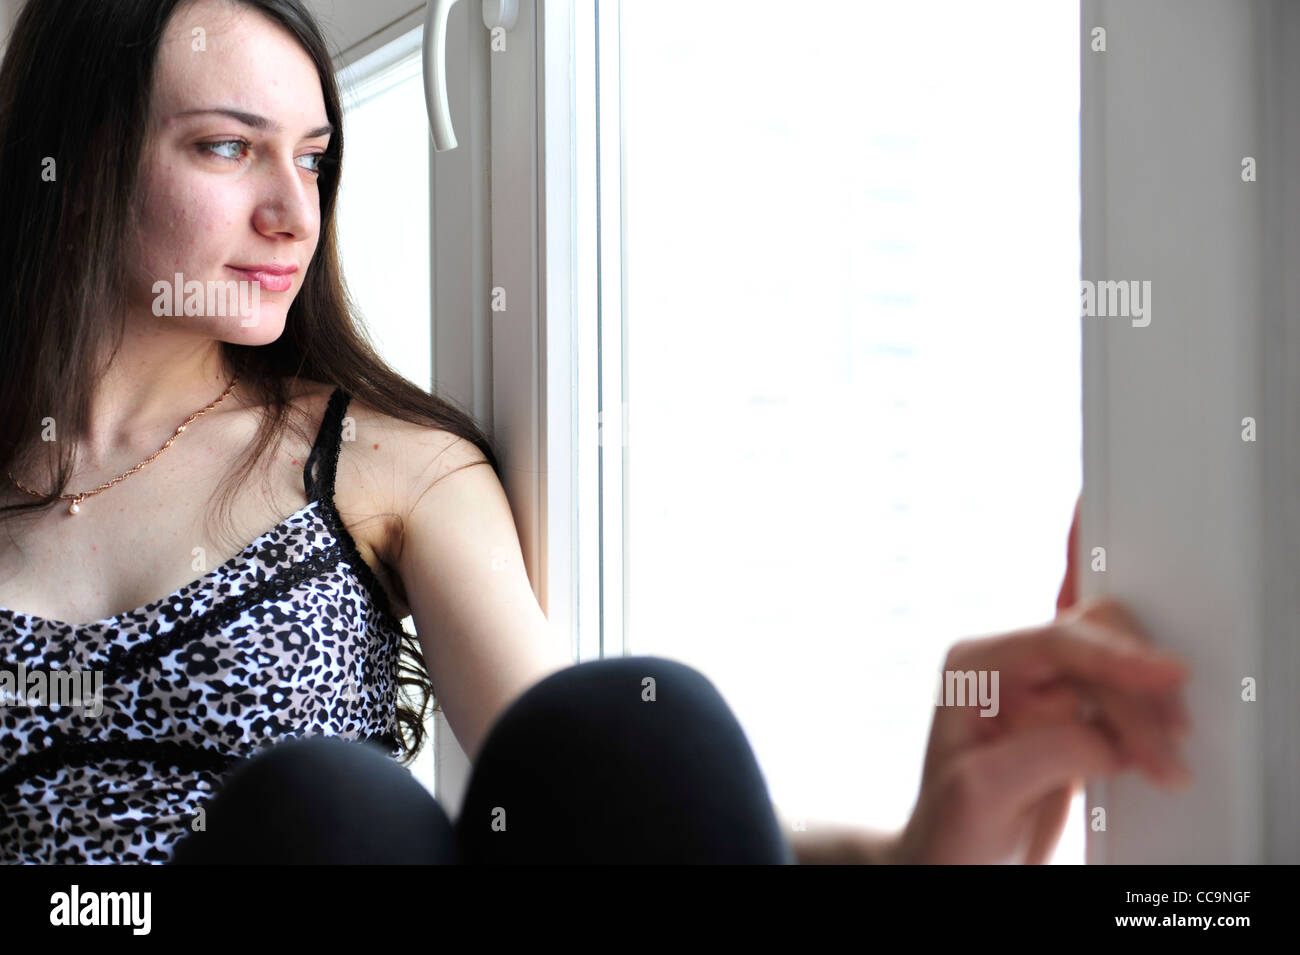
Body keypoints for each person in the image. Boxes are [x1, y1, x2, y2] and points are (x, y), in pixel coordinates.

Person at [0, 0, 1190, 865]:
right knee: (321, 806)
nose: (292, 211)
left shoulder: (375, 464)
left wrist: (920, 847)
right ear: (80, 160)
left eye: (314, 160)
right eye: (227, 146)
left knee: (617, 725)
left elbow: (603, 810)